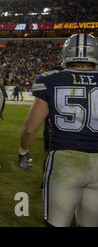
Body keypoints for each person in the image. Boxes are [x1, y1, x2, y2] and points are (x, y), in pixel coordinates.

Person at [19, 33, 98, 227]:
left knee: (57, 223)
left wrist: (23, 151)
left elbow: (30, 129)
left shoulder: (51, 79)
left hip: (65, 160)